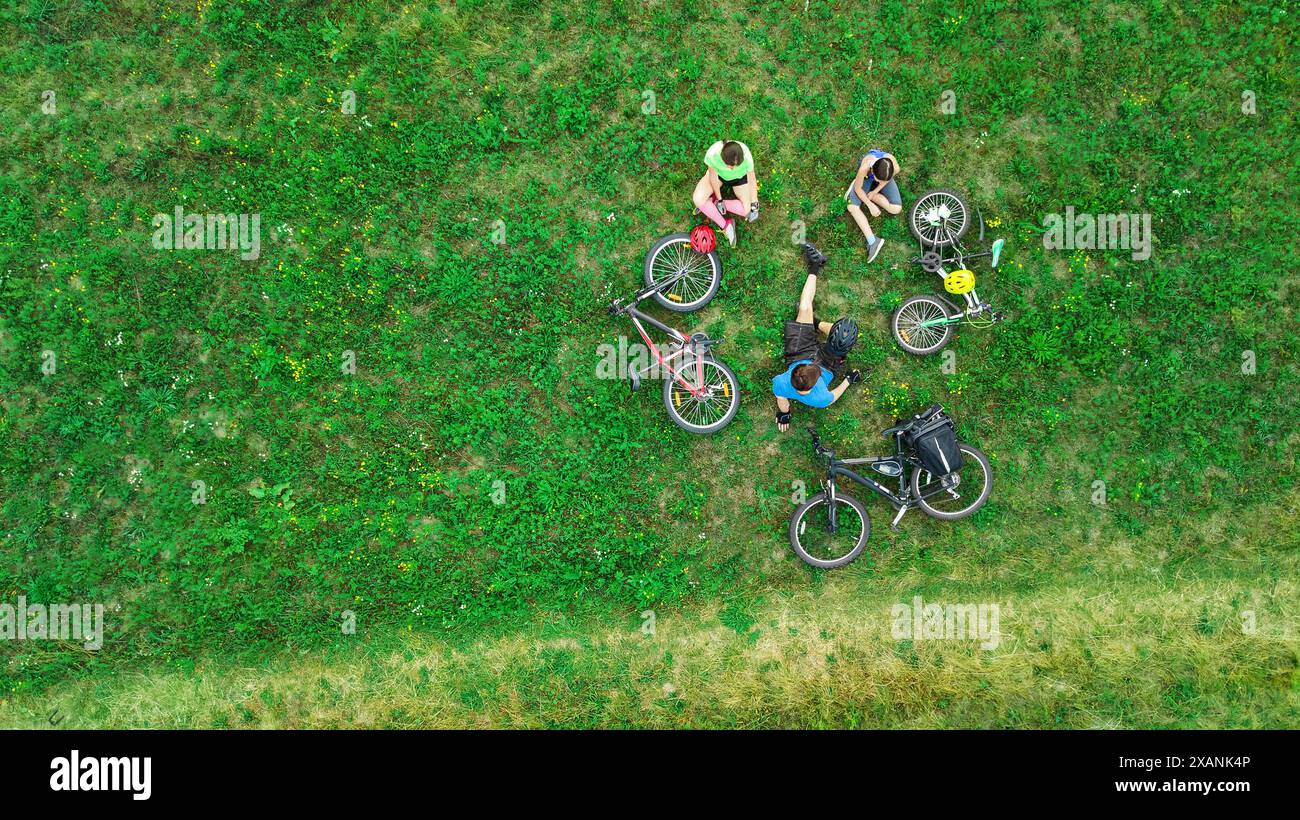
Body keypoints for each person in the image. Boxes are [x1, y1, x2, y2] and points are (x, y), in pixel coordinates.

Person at [772, 243, 863, 432]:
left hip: (799, 353)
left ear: (797, 371)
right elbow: (835, 394)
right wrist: (848, 380)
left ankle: (816, 264)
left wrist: (784, 414)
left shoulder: (780, 382)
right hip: (828, 364)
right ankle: (818, 324)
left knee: (805, 307)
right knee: (842, 337)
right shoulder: (820, 398)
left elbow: (782, 402)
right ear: (816, 382)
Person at [692, 139, 759, 248]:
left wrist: (754, 202)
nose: (733, 169)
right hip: (718, 177)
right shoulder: (713, 154)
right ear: (722, 158)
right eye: (730, 165)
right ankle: (726, 226)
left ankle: (711, 204)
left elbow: (751, 178)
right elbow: (713, 176)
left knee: (746, 211)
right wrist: (720, 199)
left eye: (737, 165)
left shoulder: (747, 156)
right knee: (698, 199)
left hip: (739, 179)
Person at [846, 149, 902, 263]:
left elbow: (886, 179)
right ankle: (872, 241)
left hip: (881, 177)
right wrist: (870, 204)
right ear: (873, 171)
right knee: (852, 207)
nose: (879, 181)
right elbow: (858, 189)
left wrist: (876, 191)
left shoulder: (892, 166)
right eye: (878, 179)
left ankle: (868, 193)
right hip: (866, 178)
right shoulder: (865, 168)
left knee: (896, 208)